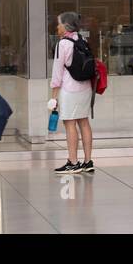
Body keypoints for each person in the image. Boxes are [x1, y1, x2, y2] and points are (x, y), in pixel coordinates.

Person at [50, 12, 95, 174]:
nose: (57, 27)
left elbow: (57, 73)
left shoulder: (62, 44)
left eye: (59, 24)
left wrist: (53, 96)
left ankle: (73, 161)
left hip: (69, 89)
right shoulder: (82, 40)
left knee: (70, 124)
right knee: (84, 122)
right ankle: (88, 161)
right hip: (85, 89)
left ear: (66, 26)